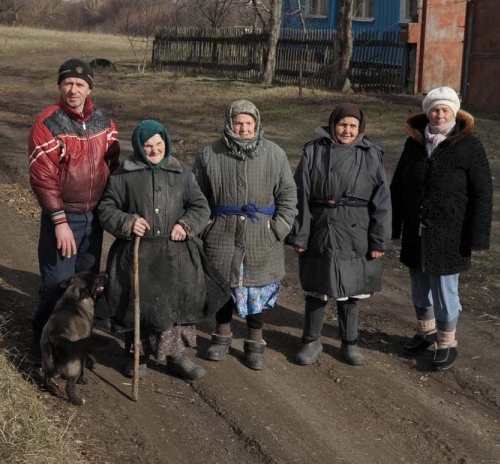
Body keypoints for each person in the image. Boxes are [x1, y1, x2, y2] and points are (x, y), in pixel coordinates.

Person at [96, 119, 228, 381]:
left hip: (175, 254)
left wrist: (186, 224)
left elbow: (200, 206)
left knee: (176, 304)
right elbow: (106, 208)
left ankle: (177, 356)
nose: (154, 150)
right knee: (138, 305)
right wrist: (127, 222)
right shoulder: (124, 175)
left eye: (158, 144)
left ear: (165, 143)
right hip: (138, 254)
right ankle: (138, 356)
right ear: (138, 147)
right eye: (148, 145)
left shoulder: (182, 174)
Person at [390, 86, 493, 372]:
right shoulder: (414, 143)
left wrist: (478, 236)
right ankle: (426, 333)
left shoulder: (470, 146)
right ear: (427, 112)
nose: (439, 114)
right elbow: (398, 186)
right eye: (434, 109)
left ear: (454, 112)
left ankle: (447, 343)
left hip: (451, 232)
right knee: (419, 287)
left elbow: (483, 193)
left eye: (444, 109)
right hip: (416, 229)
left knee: (445, 291)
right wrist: (392, 226)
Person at [193, 99, 298, 371]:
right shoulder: (209, 155)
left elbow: (288, 195)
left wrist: (278, 228)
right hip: (222, 233)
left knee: (255, 290)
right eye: (238, 122)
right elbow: (196, 198)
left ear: (257, 124)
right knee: (224, 288)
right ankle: (221, 336)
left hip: (261, 233)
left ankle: (254, 343)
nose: (243, 128)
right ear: (229, 123)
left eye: (248, 123)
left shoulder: (274, 153)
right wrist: (206, 227)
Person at [28, 59, 120, 362]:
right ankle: (41, 348)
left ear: (90, 88)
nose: (73, 89)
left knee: (87, 285)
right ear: (59, 86)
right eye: (67, 83)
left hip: (94, 217)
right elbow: (43, 178)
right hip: (64, 217)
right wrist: (59, 221)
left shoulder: (105, 123)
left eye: (80, 84)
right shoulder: (47, 124)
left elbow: (113, 164)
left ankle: (77, 344)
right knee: (58, 284)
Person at [288, 103, 392, 366]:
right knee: (317, 286)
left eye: (352, 126)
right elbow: (300, 194)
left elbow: (382, 201)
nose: (347, 131)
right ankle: (311, 340)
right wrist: (300, 235)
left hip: (357, 229)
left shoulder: (372, 154)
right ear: (333, 125)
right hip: (321, 226)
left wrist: (379, 239)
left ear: (360, 128)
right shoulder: (314, 150)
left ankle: (350, 342)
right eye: (342, 125)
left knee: (352, 288)